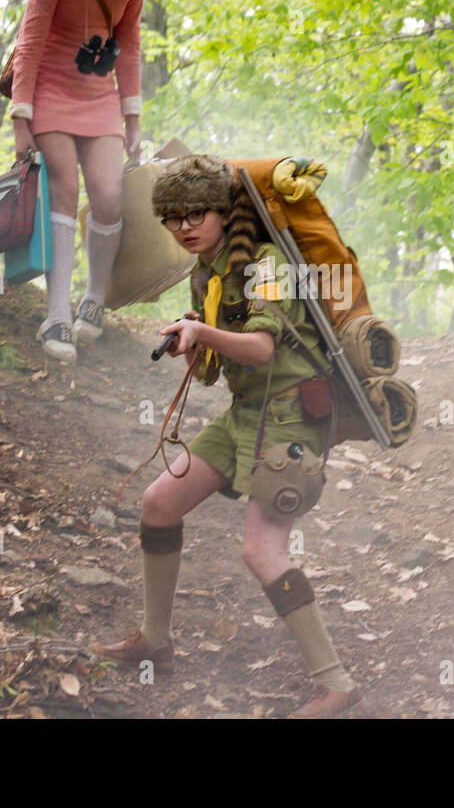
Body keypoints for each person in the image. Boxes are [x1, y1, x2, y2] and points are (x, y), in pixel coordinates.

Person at [92, 154, 362, 718]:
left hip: (290, 415)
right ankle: (157, 641)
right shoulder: (205, 272)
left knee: (261, 550)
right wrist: (192, 348)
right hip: (247, 412)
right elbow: (219, 368)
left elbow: (263, 348)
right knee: (160, 504)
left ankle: (336, 685)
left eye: (197, 213)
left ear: (223, 212)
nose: (184, 226)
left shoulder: (266, 263)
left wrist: (202, 329)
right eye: (172, 218)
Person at [9, 0, 159, 364]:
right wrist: (21, 117)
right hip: (50, 90)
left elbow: (130, 47)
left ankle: (93, 300)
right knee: (64, 189)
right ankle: (56, 314)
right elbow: (30, 41)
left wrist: (132, 117)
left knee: (109, 195)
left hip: (100, 98)